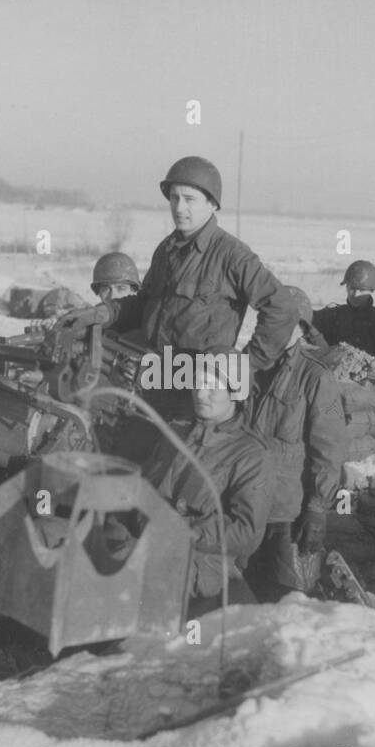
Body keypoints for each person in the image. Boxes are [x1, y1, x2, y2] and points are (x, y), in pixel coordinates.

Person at [57, 156, 294, 384]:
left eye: (189, 199)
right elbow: (144, 304)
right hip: (149, 375)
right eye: (174, 198)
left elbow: (282, 309)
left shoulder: (232, 255)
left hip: (194, 388)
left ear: (212, 204)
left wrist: (244, 367)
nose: (179, 208)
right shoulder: (167, 250)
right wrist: (102, 314)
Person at [139, 352, 271, 616]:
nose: (200, 393)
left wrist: (188, 532)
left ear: (236, 393)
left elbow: (246, 531)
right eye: (197, 383)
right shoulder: (176, 431)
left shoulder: (251, 454)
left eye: (212, 386)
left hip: (202, 561)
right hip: (147, 542)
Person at [244, 287, 347, 601]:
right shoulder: (248, 367)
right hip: (244, 505)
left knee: (287, 600)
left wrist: (318, 509)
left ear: (301, 328)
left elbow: (329, 450)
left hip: (285, 513)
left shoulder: (316, 379)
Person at [311, 259, 375, 369]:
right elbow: (306, 321)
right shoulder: (331, 316)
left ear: (372, 291)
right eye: (352, 288)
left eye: (362, 290)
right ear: (346, 287)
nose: (356, 294)